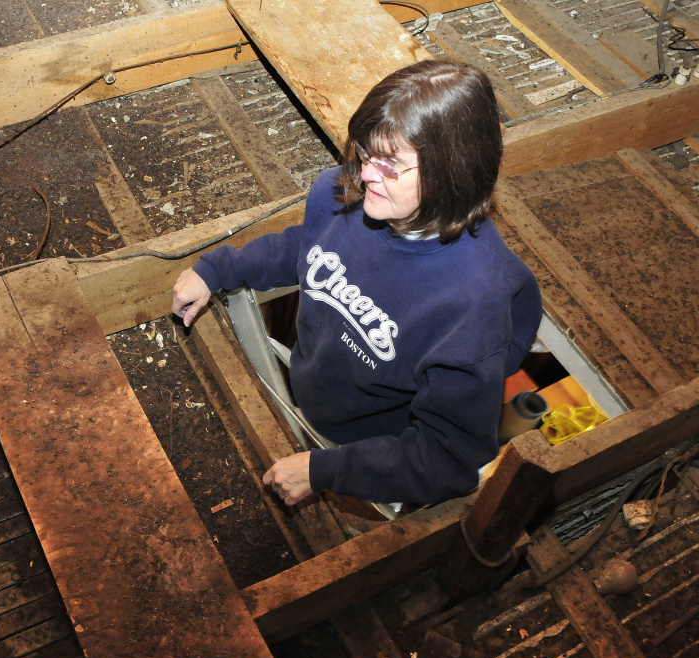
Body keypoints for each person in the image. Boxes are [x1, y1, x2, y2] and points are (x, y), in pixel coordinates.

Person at [171, 60, 542, 508]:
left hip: (370, 456)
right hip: (309, 391)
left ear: (453, 170)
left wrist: (328, 469)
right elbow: (307, 248)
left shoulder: (471, 304)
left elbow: (447, 459)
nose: (366, 175)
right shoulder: (346, 192)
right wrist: (218, 270)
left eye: (391, 165)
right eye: (365, 154)